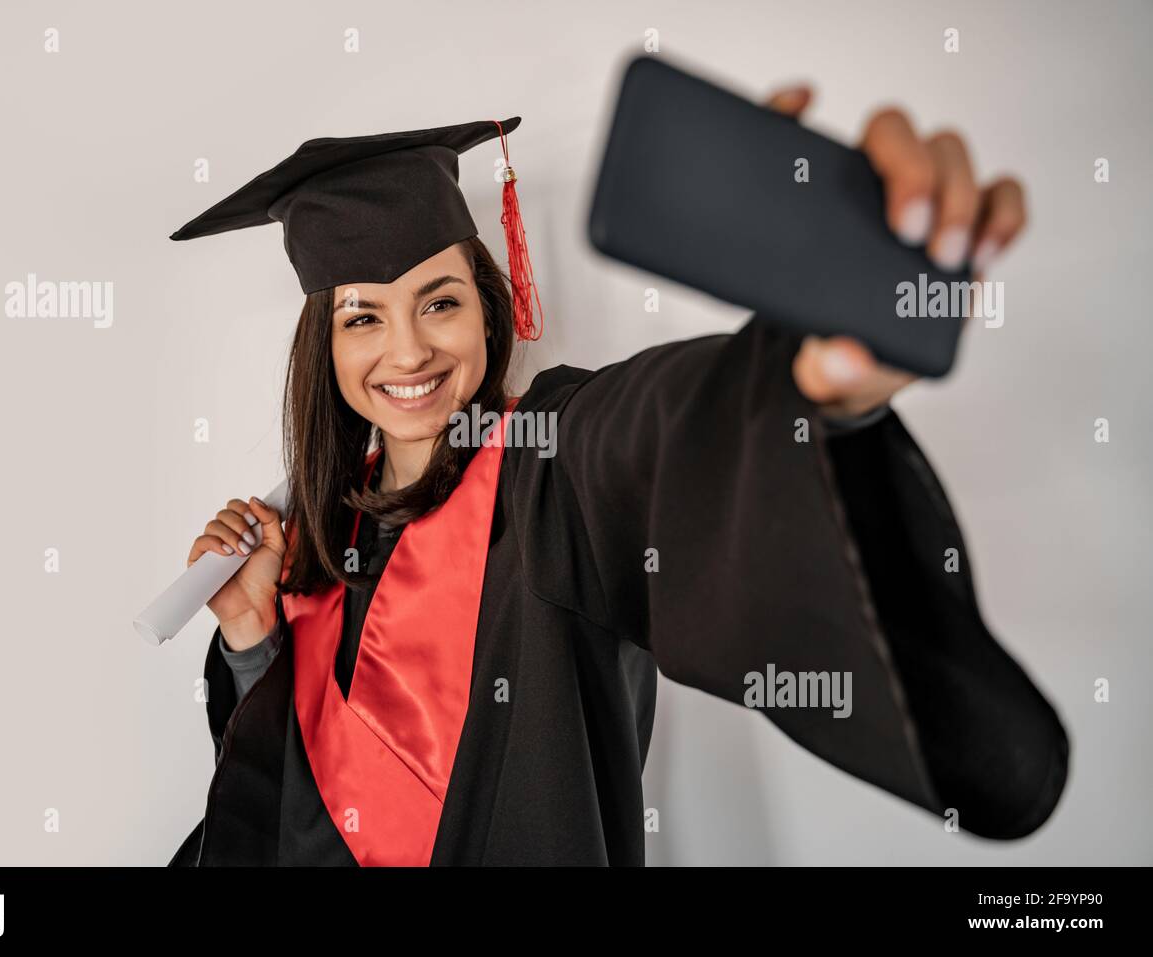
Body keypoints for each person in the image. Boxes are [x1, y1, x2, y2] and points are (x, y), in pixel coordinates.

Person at [164, 98, 1067, 866]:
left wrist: (798, 380)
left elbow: (651, 432)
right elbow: (280, 817)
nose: (407, 350)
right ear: (327, 348)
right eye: (363, 316)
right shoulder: (316, 539)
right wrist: (252, 638)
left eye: (439, 300)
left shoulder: (550, 465)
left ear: (489, 307)